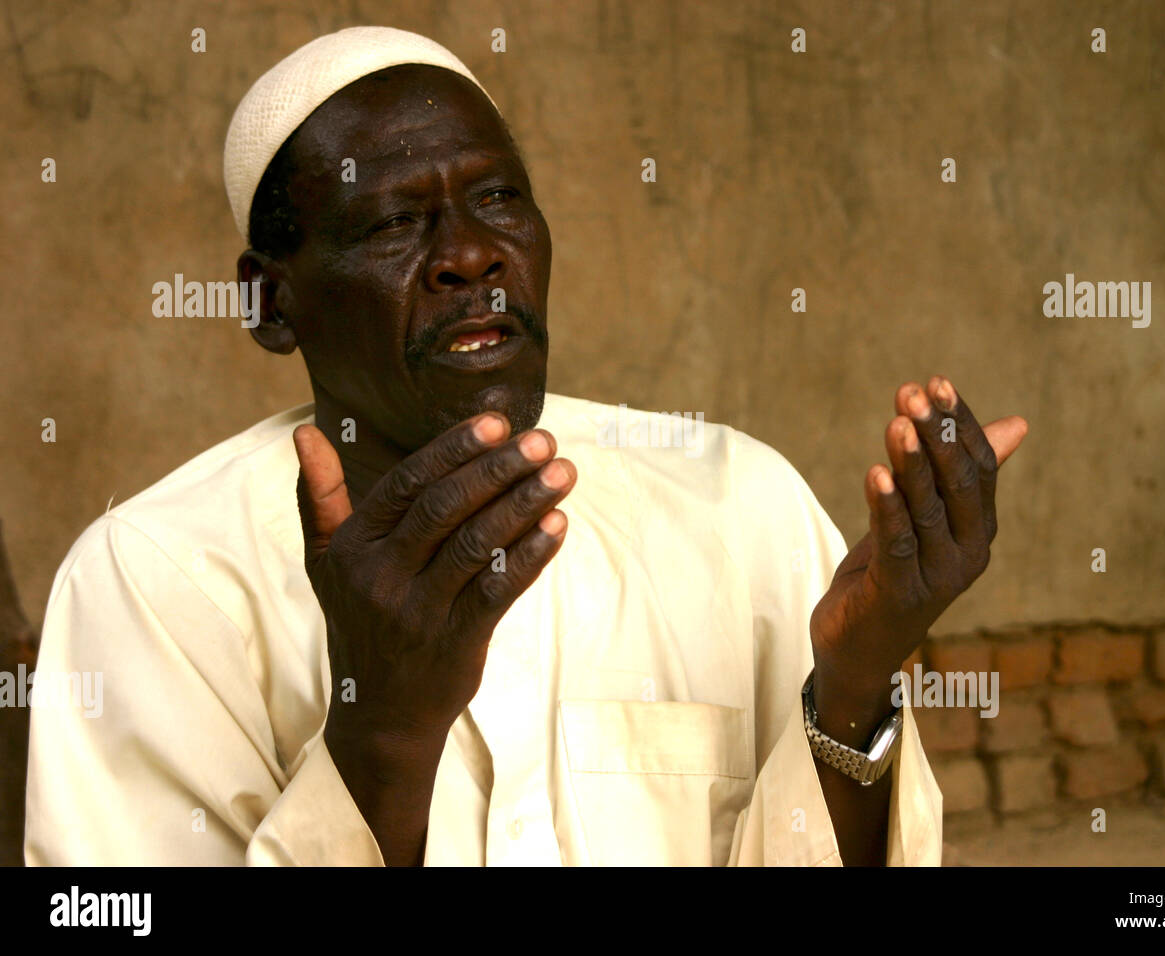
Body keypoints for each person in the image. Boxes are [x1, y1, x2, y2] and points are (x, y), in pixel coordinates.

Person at [25, 26, 1027, 866]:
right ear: (270, 299)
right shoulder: (152, 582)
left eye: (497, 200)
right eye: (393, 221)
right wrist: (384, 729)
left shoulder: (737, 505)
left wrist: (850, 686)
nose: (469, 254)